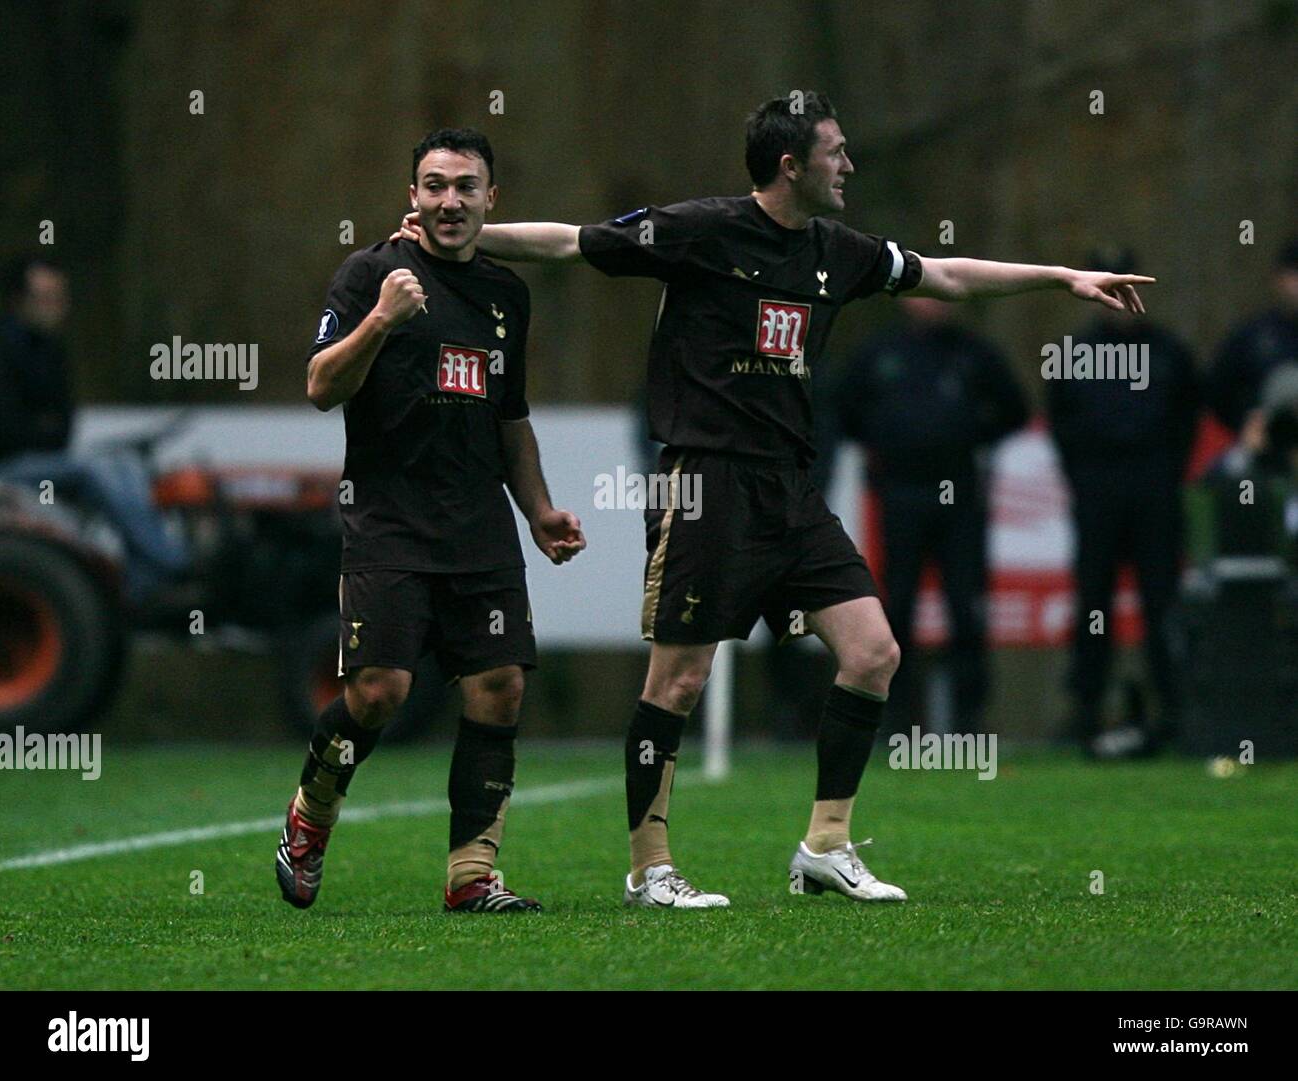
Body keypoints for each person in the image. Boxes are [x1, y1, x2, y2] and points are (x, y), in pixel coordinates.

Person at [396, 92, 1152, 907]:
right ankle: (650, 869)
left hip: (791, 487)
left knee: (874, 653)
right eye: (837, 151)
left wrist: (1065, 277)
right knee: (677, 682)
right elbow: (572, 243)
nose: (849, 165)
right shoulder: (699, 230)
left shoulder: (840, 250)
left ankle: (826, 845)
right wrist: (466, 237)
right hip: (705, 482)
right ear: (791, 165)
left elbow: (947, 275)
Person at [277, 128, 586, 914]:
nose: (450, 201)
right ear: (412, 195)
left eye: (466, 187)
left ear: (492, 200)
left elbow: (510, 419)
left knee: (500, 686)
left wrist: (540, 509)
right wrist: (380, 320)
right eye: (435, 185)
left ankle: (473, 875)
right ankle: (311, 815)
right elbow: (319, 385)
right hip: (387, 522)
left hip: (480, 526)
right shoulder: (371, 274)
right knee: (380, 691)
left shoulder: (506, 295)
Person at [836, 296, 1028, 736]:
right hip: (900, 494)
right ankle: (893, 714)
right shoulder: (880, 354)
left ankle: (969, 716)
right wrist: (884, 441)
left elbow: (1014, 409)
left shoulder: (975, 354)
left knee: (965, 604)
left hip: (960, 497)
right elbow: (843, 408)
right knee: (896, 604)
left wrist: (969, 435)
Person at [1045, 249, 1200, 755]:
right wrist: (1087, 476)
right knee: (1093, 600)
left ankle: (1176, 708)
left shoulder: (1170, 353)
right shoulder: (1074, 352)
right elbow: (1061, 422)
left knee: (1163, 601)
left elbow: (1187, 419)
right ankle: (1086, 708)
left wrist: (1163, 472)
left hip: (1155, 490)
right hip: (1098, 492)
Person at [0, 255, 188, 603]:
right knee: (97, 469)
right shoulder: (5, 347)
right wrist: (43, 429)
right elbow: (9, 431)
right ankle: (171, 561)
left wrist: (42, 428)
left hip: (40, 460)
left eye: (59, 298)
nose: (56, 308)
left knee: (124, 463)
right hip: (9, 467)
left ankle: (143, 577)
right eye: (45, 298)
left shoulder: (51, 350)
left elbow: (61, 427)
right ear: (17, 300)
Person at [1208, 238, 1298, 434]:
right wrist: (1247, 424)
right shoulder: (1253, 337)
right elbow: (1218, 392)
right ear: (1279, 279)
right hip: (1265, 450)